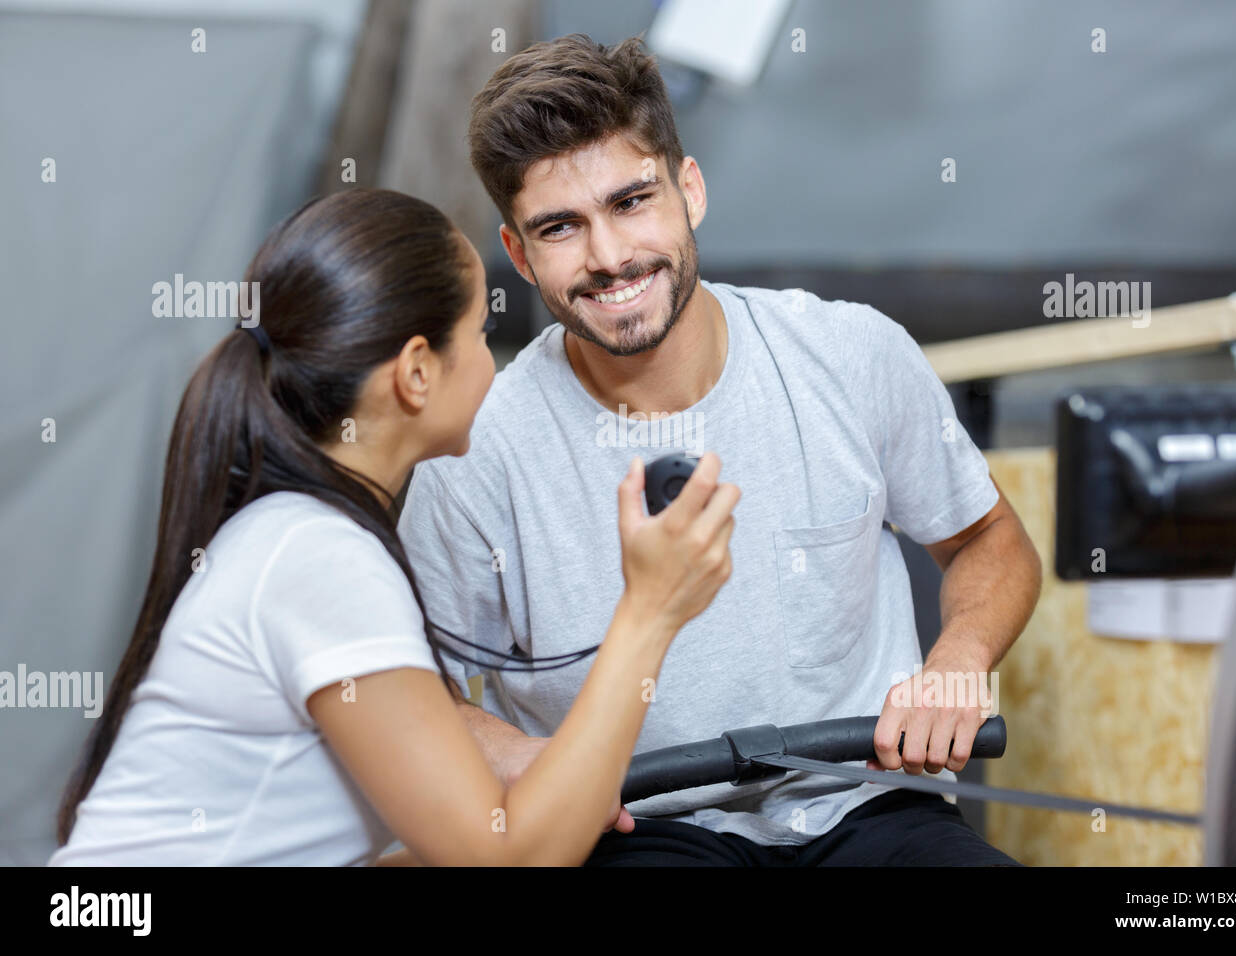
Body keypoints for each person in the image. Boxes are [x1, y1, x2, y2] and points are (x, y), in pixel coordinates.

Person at [396, 35, 1042, 865]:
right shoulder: (476, 449)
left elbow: (990, 541)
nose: (609, 256)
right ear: (518, 254)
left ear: (690, 190)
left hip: (866, 811)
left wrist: (958, 659)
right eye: (561, 227)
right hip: (641, 833)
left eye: (632, 201)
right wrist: (518, 758)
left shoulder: (851, 354)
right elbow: (418, 692)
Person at [49, 187, 740, 866]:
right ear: (416, 372)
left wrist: (561, 789)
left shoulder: (300, 536)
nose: (490, 365)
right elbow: (510, 858)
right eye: (480, 336)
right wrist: (649, 612)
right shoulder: (321, 560)